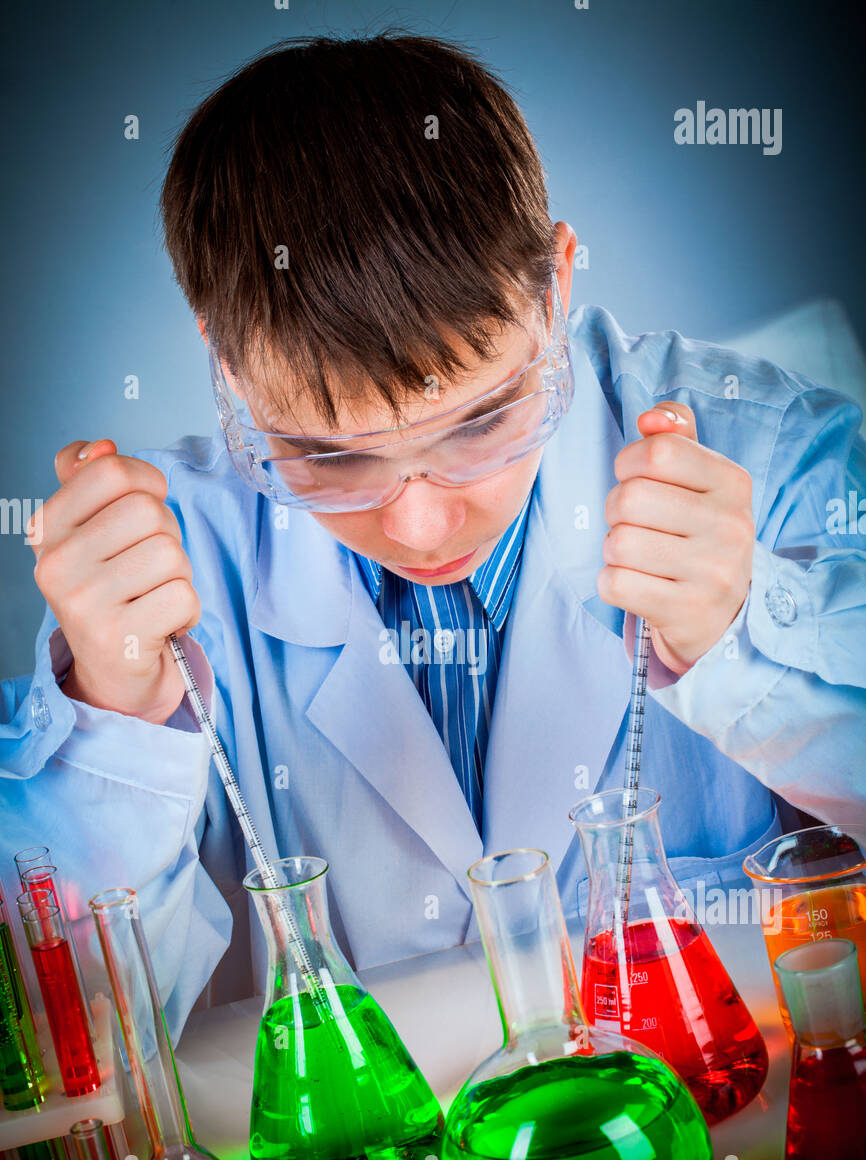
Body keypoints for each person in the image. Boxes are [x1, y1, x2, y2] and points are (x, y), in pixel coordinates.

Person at [1, 35, 864, 1039]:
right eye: (327, 457)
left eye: (481, 421)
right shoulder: (158, 577)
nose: (416, 521)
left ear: (555, 285)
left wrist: (746, 640)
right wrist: (113, 728)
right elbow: (70, 1044)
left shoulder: (776, 452)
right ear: (222, 359)